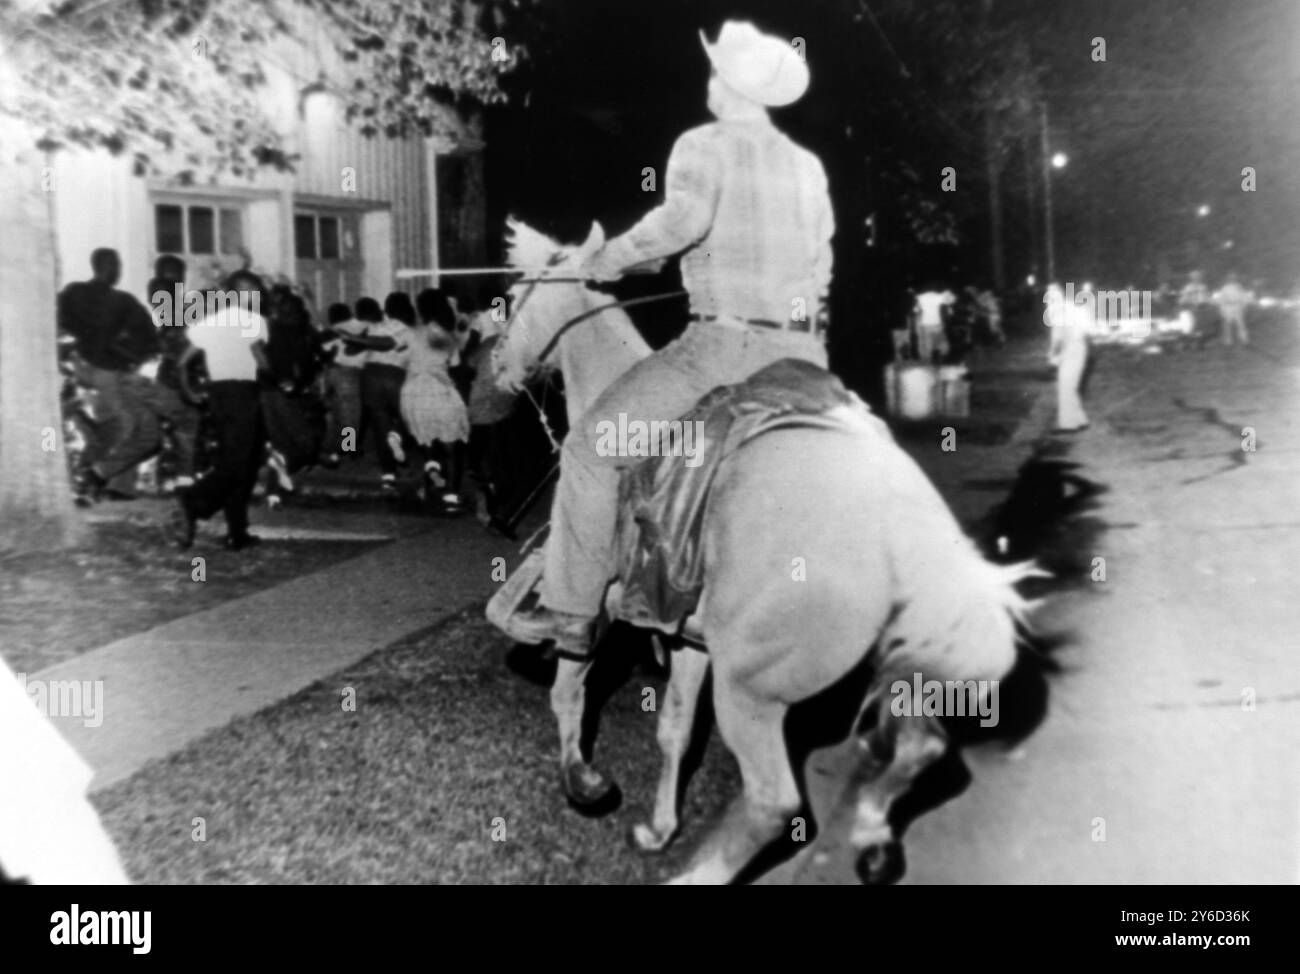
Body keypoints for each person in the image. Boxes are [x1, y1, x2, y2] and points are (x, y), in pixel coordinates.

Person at [497, 20, 832, 655]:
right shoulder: (807, 168)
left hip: (719, 349)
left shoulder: (704, 145)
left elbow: (682, 220)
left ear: (727, 81)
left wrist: (610, 258)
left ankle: (568, 613)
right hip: (800, 353)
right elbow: (820, 270)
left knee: (590, 452)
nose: (707, 79)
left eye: (714, 69)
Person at [58, 248, 175, 503]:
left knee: (117, 428)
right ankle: (98, 483)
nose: (118, 271)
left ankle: (106, 483)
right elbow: (149, 341)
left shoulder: (74, 294)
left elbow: (60, 325)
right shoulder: (120, 301)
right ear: (104, 266)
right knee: (129, 428)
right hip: (106, 373)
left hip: (86, 372)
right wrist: (134, 354)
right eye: (115, 265)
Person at [169, 270, 272, 551]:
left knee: (238, 460)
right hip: (243, 393)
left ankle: (237, 532)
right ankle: (193, 502)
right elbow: (260, 360)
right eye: (250, 290)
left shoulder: (211, 321)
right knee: (239, 465)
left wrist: (190, 390)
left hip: (218, 394)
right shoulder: (254, 320)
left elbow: (182, 362)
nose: (253, 296)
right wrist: (273, 372)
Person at [406, 289, 471, 512]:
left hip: (414, 392)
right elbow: (455, 367)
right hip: (440, 389)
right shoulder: (449, 336)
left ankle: (433, 484)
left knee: (428, 445)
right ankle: (451, 494)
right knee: (452, 446)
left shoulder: (413, 333)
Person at [146, 255, 201, 488]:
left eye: (178, 276)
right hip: (162, 376)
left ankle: (184, 475)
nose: (174, 281)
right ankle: (168, 474)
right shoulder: (152, 307)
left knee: (188, 423)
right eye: (169, 275)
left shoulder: (188, 307)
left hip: (186, 374)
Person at [360, 294, 413, 492]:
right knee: (407, 420)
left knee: (379, 424)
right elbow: (392, 345)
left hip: (371, 374)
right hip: (395, 375)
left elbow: (360, 350)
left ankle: (388, 475)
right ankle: (398, 436)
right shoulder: (409, 331)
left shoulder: (375, 327)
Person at [322, 302, 367, 465]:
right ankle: (348, 448)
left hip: (331, 372)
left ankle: (333, 448)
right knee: (351, 413)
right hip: (350, 373)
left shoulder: (331, 331)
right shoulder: (360, 326)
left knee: (334, 412)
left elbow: (323, 351)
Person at [1045, 283, 1090, 433]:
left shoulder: (1061, 310)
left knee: (1066, 385)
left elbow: (1059, 337)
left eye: (1052, 294)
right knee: (1069, 385)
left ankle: (1069, 425)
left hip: (1073, 348)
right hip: (1077, 348)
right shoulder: (1066, 308)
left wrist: (1054, 355)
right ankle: (1080, 420)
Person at [913, 283, 955, 363]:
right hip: (937, 323)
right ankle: (942, 357)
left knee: (928, 343)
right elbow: (951, 301)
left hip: (925, 323)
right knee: (940, 341)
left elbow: (916, 310)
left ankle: (928, 360)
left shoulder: (920, 297)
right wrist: (947, 292)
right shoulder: (938, 296)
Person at [1214, 271, 1251, 346]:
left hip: (1237, 306)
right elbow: (1221, 299)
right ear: (1228, 279)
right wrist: (1222, 309)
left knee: (1240, 323)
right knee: (1227, 325)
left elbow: (1243, 297)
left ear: (1236, 278)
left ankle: (1244, 339)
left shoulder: (1239, 287)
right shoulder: (1225, 288)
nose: (1232, 279)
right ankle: (1228, 341)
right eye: (1231, 278)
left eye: (1234, 278)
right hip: (1228, 307)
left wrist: (1244, 306)